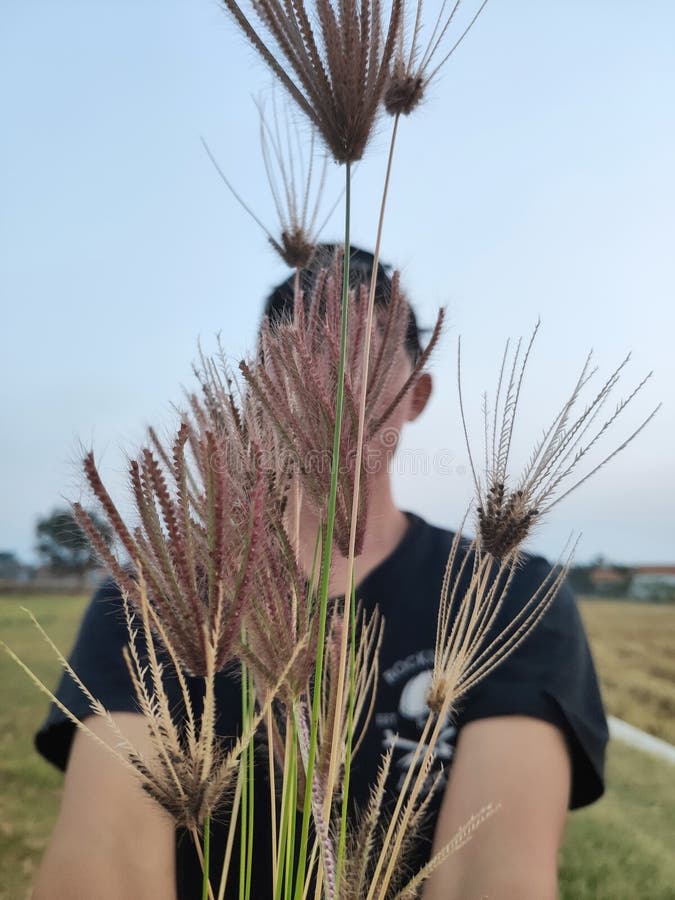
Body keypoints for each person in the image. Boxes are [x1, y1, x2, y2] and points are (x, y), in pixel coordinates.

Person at [33, 247, 608, 900]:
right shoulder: (153, 598)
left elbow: (491, 877)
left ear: (416, 393)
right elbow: (105, 876)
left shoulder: (508, 597)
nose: (329, 396)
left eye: (361, 368)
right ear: (255, 390)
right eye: (296, 367)